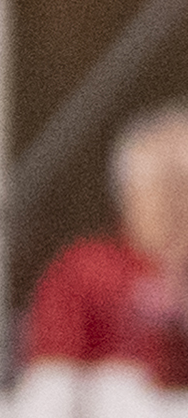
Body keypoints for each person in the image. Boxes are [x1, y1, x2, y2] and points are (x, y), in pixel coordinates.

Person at [22, 101, 188, 384]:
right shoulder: (86, 272)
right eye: (163, 186)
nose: (175, 204)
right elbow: (51, 378)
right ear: (130, 194)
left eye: (182, 185)